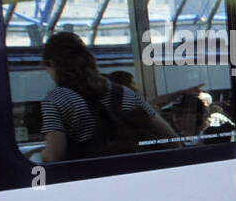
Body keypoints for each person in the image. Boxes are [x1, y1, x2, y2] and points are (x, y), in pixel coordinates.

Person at [37, 32, 176, 162]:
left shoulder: (56, 98)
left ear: (52, 64)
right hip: (135, 171)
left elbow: (54, 155)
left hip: (92, 179)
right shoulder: (123, 92)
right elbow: (170, 136)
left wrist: (37, 156)